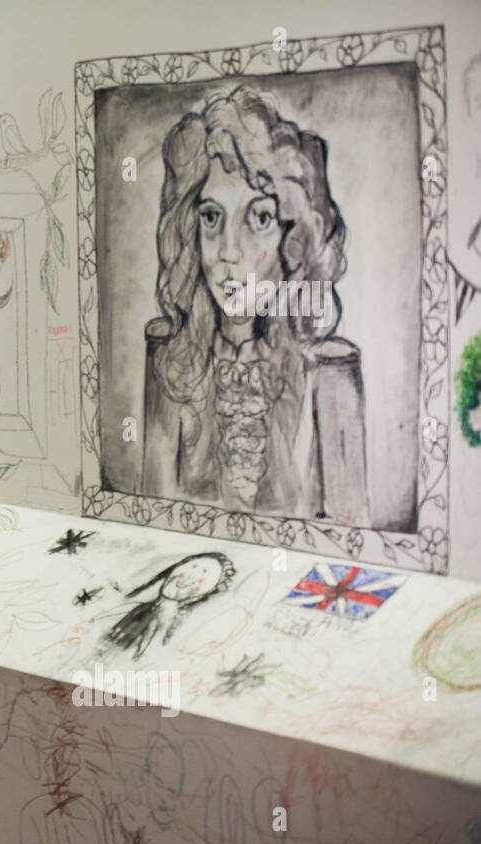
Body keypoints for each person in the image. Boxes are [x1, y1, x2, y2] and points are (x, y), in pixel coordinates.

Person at [141, 86, 369, 525]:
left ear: (295, 241)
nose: (228, 252)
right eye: (211, 217)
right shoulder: (172, 359)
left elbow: (353, 536)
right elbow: (148, 517)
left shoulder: (329, 372)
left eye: (260, 218)